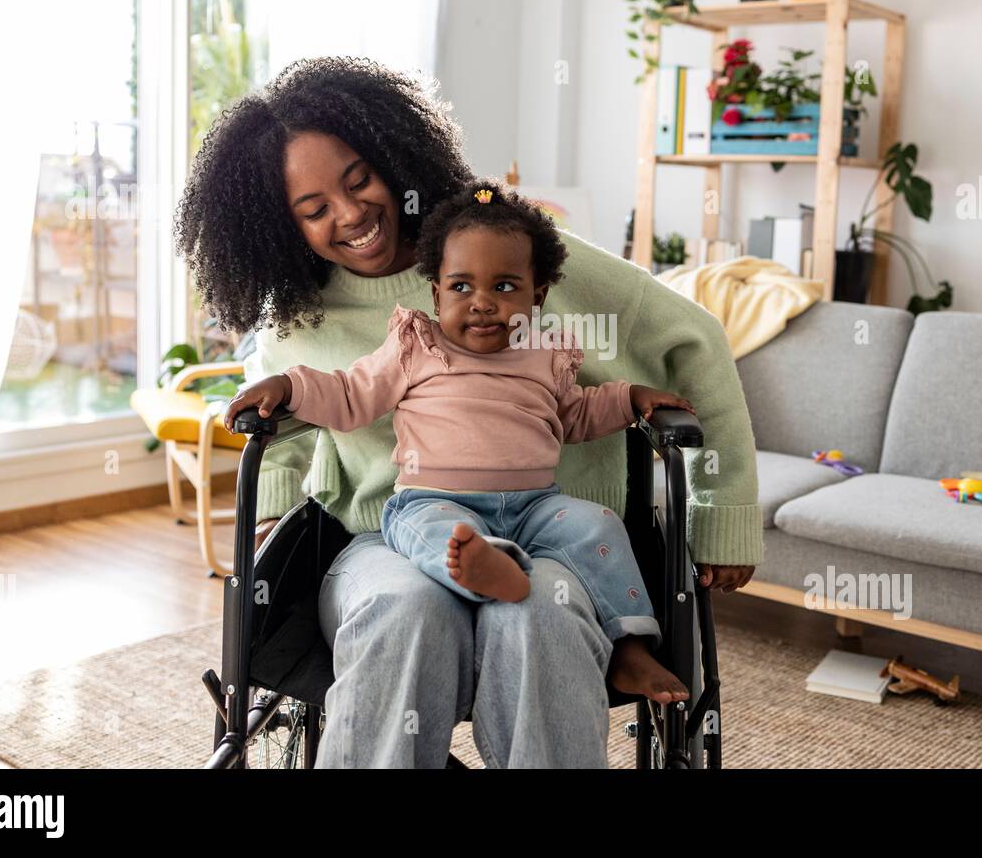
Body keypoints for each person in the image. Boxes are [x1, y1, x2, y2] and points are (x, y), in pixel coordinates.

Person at [175, 57, 762, 768]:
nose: (350, 214)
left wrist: (724, 512)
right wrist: (270, 517)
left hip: (550, 529)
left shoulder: (509, 254)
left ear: (395, 157)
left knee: (541, 610)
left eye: (359, 180)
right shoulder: (299, 314)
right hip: (390, 537)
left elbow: (695, 340)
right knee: (404, 607)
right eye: (315, 208)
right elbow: (294, 418)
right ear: (282, 224)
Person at [225, 179, 697, 704]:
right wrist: (288, 386)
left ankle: (629, 645)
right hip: (431, 500)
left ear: (537, 295)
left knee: (598, 525)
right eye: (461, 287)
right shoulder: (415, 347)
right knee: (441, 534)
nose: (482, 304)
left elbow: (576, 415)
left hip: (536, 507)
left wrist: (631, 398)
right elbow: (348, 394)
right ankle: (485, 570)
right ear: (436, 293)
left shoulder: (545, 357)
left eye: (504, 287)